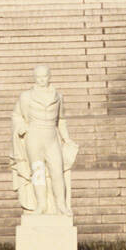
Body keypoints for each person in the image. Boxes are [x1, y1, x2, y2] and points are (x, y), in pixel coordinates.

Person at [10, 65, 77, 215]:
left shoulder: (58, 97)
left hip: (51, 137)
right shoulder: (26, 96)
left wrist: (66, 138)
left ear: (49, 76)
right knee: (38, 171)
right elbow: (16, 115)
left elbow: (61, 119)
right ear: (34, 78)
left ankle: (61, 204)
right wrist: (21, 126)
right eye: (39, 77)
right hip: (34, 136)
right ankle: (40, 204)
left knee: (57, 171)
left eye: (44, 76)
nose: (42, 79)